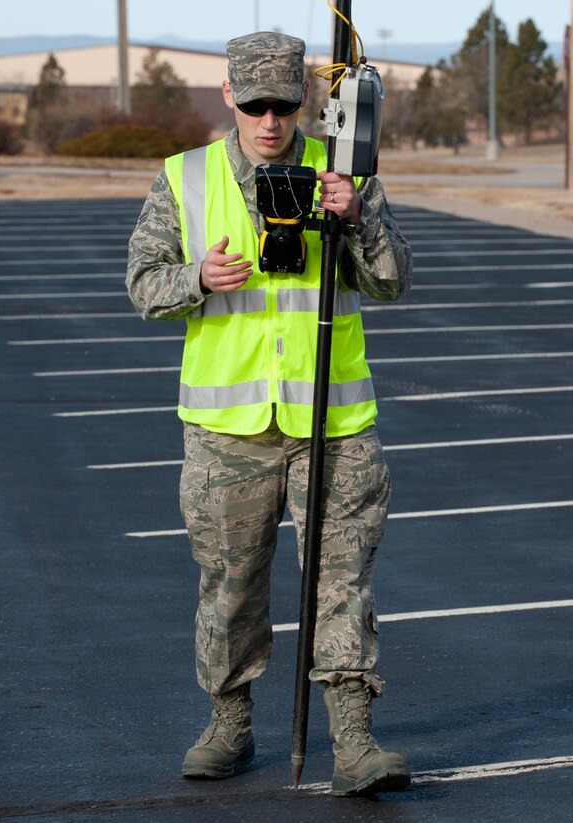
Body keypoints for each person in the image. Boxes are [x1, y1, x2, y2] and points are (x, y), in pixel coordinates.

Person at [126, 32, 413, 796]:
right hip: (228, 434)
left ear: (306, 102)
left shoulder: (343, 173)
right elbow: (142, 283)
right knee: (230, 584)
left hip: (334, 426)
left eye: (284, 104)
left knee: (341, 581)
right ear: (228, 97)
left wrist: (359, 220)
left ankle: (353, 740)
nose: (268, 120)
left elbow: (390, 283)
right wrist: (197, 276)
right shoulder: (185, 179)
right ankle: (229, 722)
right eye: (253, 104)